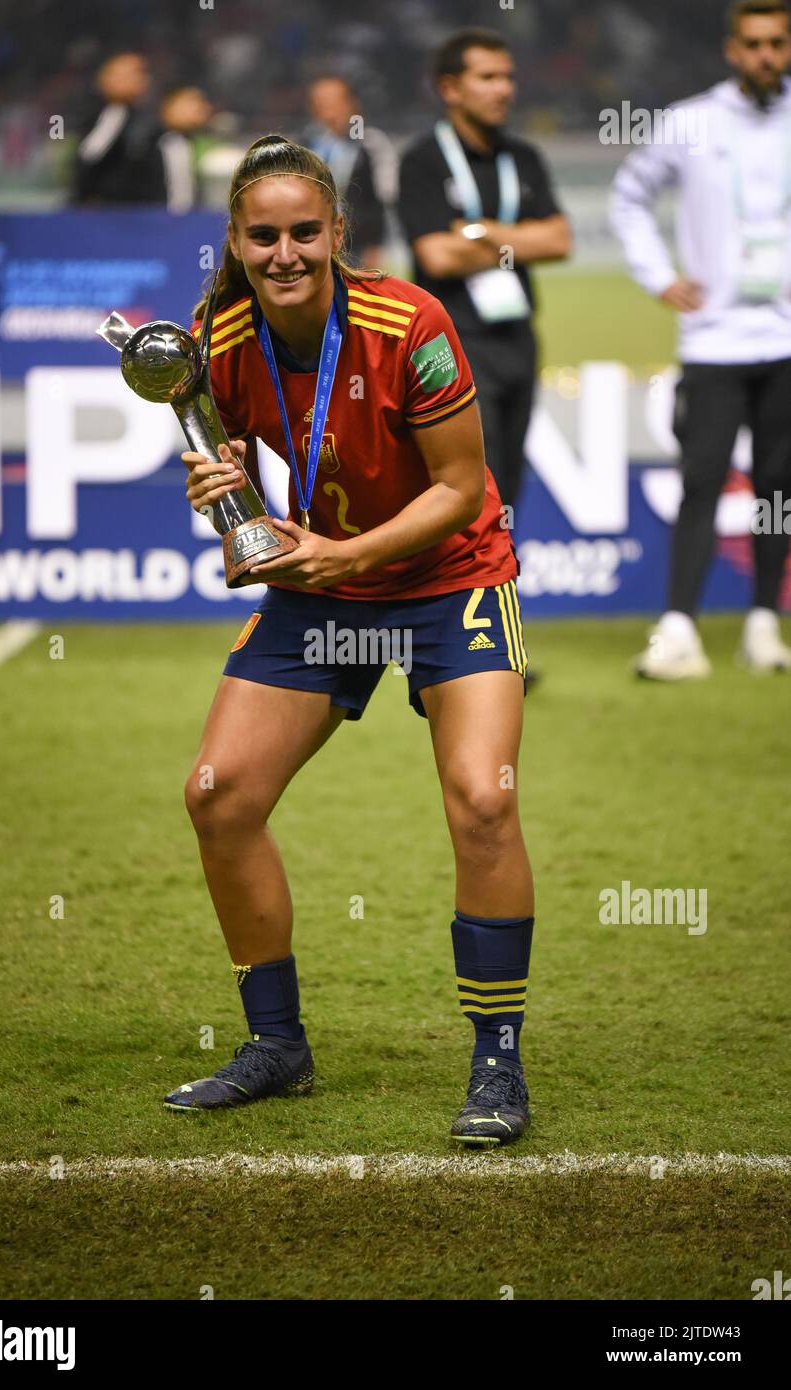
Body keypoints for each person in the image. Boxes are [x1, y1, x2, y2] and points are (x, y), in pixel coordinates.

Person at [164, 134, 536, 1148]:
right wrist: (222, 496)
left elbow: (462, 488)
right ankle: (277, 1045)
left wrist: (341, 557)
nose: (284, 253)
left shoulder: (409, 321)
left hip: (444, 574)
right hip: (323, 573)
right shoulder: (215, 334)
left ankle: (496, 1062)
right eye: (262, 236)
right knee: (218, 794)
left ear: (338, 233)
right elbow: (230, 481)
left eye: (303, 233)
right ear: (235, 242)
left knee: (484, 800)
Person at [611, 0, 791, 678]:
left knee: (777, 487)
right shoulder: (689, 122)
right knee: (701, 481)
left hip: (785, 340)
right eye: (753, 43)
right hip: (713, 339)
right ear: (730, 49)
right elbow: (629, 196)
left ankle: (763, 624)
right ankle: (680, 627)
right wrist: (658, 275)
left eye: (776, 43)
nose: (765, 56)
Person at [397, 29, 571, 530]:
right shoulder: (423, 161)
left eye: (508, 77)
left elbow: (559, 241)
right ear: (450, 88)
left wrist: (480, 231)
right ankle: (460, 596)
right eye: (488, 77)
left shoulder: (524, 157)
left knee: (510, 479)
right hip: (452, 341)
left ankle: (500, 587)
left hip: (517, 337)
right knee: (468, 480)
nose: (504, 90)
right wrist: (520, 239)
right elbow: (437, 257)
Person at [304, 74, 393, 266]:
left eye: (332, 101)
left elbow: (383, 198)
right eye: (319, 102)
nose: (326, 109)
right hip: (313, 238)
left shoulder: (370, 143)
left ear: (351, 103)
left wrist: (376, 245)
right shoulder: (306, 145)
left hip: (359, 243)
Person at [72, 52, 162, 205]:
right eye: (128, 74)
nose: (138, 79)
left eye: (141, 73)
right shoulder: (92, 114)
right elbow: (87, 159)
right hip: (102, 215)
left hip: (144, 214)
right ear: (105, 78)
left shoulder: (149, 121)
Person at [155, 86, 214, 213]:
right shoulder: (148, 144)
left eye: (201, 102)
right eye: (191, 101)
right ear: (167, 107)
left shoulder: (202, 145)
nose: (200, 108)